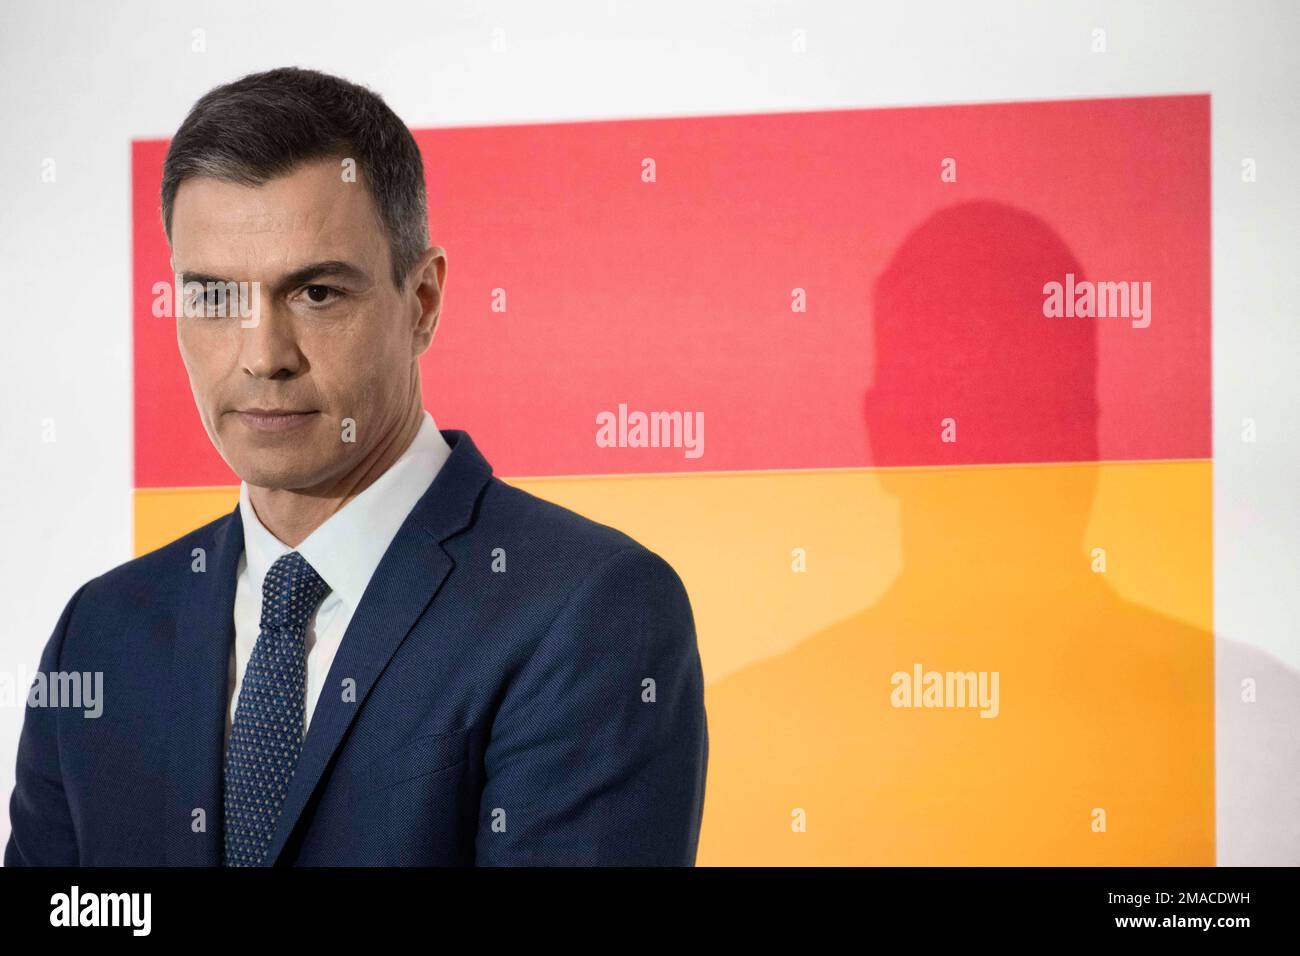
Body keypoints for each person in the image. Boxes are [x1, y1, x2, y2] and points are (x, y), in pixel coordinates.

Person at [5, 66, 708, 866]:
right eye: (214, 299)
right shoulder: (99, 634)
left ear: (424, 302)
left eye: (317, 294)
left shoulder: (587, 609)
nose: (263, 356)